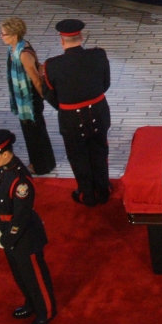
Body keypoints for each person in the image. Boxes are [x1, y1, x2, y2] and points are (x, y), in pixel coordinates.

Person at [0, 129, 56, 324]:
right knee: (20, 275)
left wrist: (8, 237)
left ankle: (45, 312)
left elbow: (21, 216)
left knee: (34, 277)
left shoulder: (20, 179)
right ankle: (30, 302)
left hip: (24, 235)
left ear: (4, 153)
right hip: (5, 230)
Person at [42, 19, 111, 206]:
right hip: (98, 111)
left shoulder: (52, 65)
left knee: (77, 156)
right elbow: (106, 84)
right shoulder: (98, 55)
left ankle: (86, 194)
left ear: (62, 41)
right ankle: (103, 190)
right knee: (100, 151)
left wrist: (65, 106)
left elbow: (49, 94)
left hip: (71, 118)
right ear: (81, 37)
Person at [0, 18, 56, 175]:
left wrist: (45, 99)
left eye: (4, 34)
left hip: (30, 100)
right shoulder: (13, 49)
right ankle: (39, 162)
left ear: (14, 35)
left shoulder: (24, 54)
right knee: (30, 133)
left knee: (36, 134)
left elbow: (36, 80)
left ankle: (42, 166)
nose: (1, 36)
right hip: (22, 99)